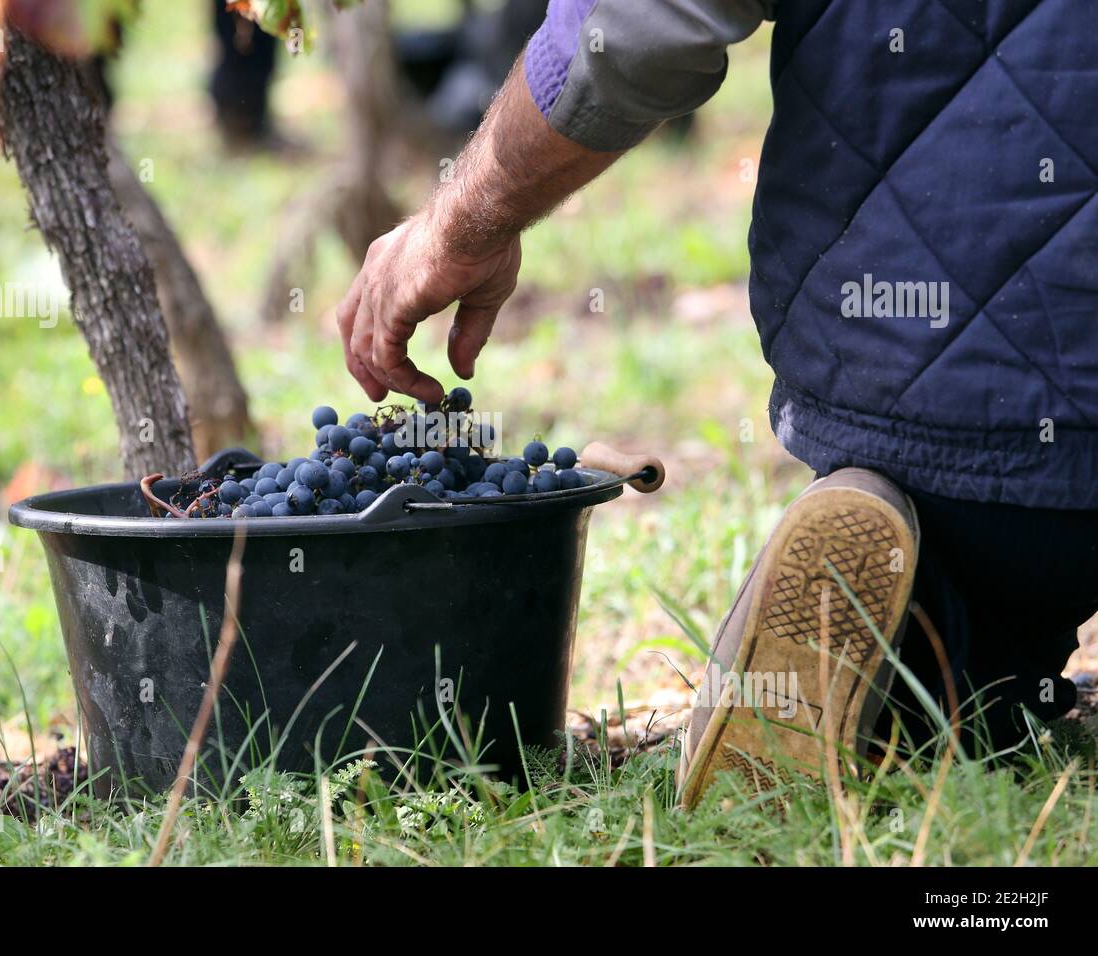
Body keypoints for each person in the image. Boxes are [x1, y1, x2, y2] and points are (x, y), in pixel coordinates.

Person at [334, 0, 1098, 806]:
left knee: (955, 649)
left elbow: (639, 24)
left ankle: (925, 637)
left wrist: (461, 219)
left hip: (967, 417)